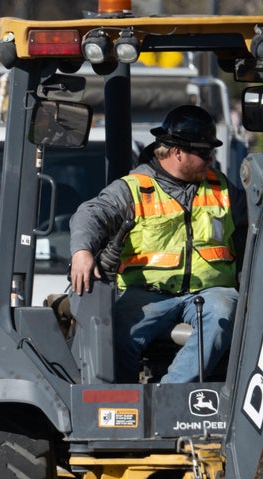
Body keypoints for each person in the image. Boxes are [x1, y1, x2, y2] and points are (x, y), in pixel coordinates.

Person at [69, 104, 244, 383]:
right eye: (204, 152)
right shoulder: (134, 189)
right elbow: (90, 214)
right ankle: (125, 398)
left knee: (224, 312)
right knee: (115, 334)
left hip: (210, 291)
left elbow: (254, 221)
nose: (210, 159)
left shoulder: (221, 187)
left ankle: (170, 393)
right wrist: (81, 252)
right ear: (177, 152)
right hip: (147, 293)